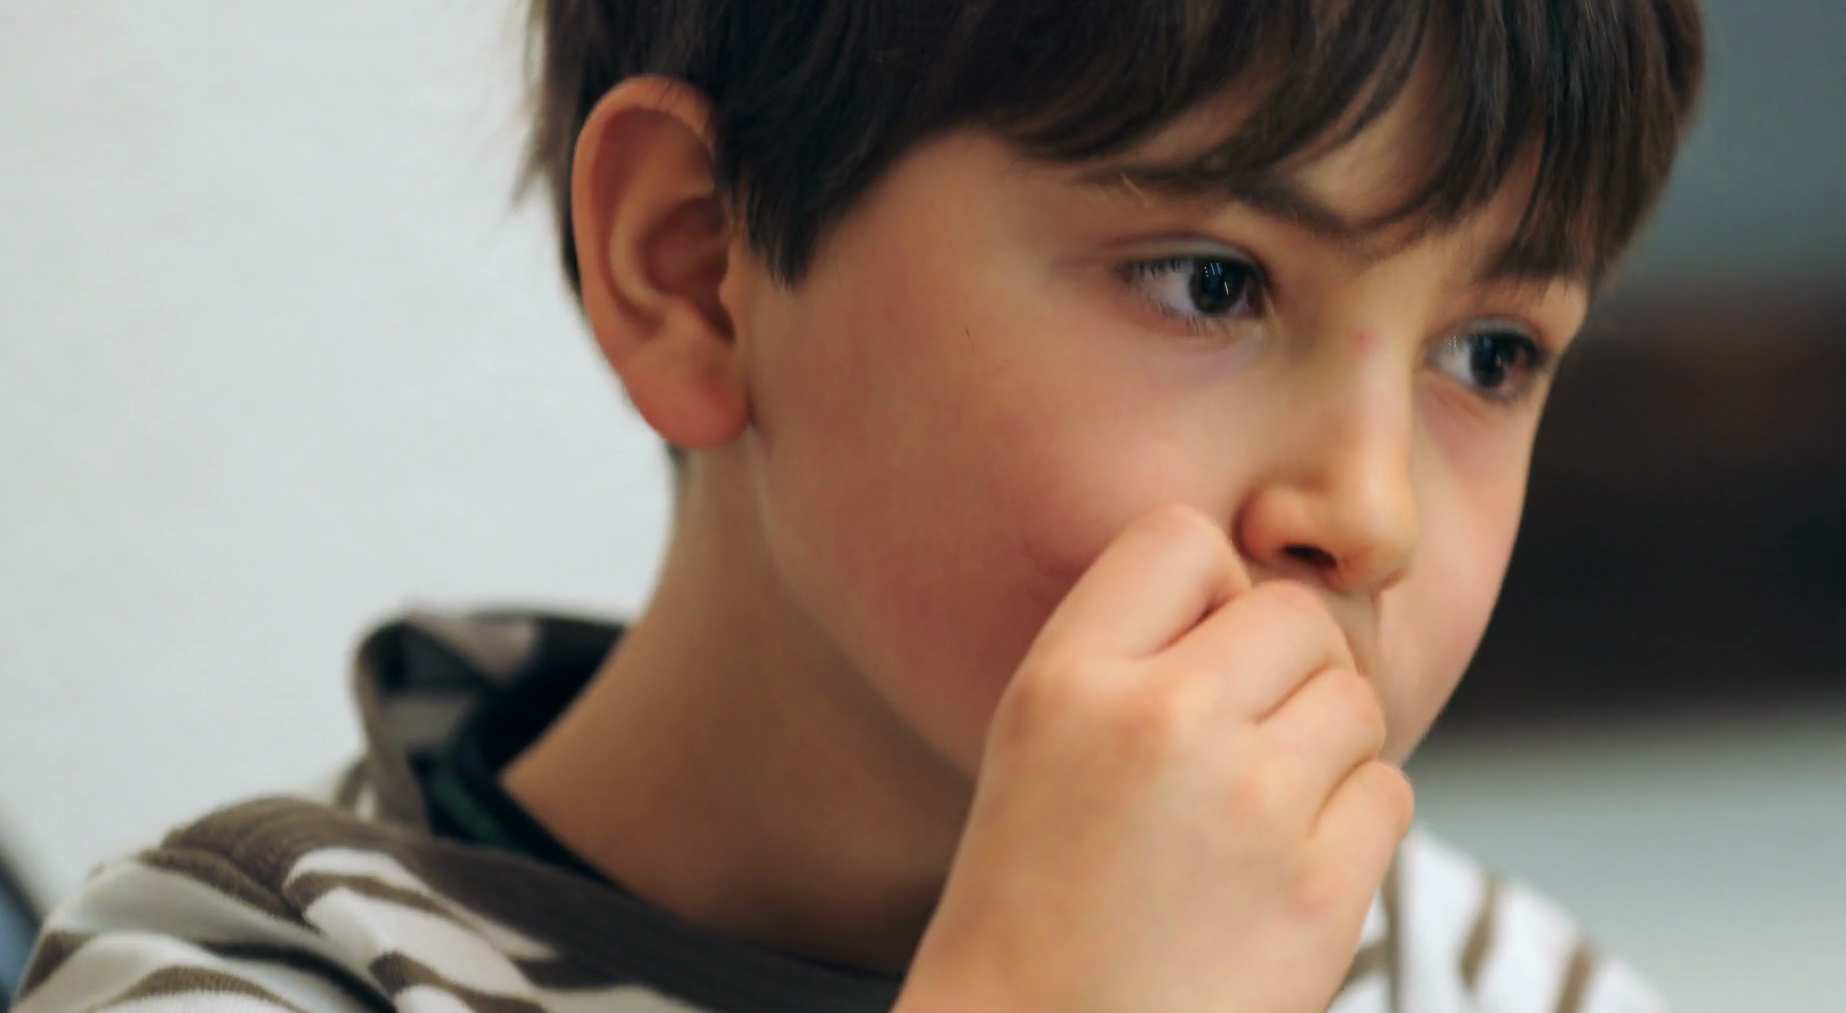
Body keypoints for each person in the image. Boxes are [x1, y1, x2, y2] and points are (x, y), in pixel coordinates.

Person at [13, 1, 1704, 1010]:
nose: (1372, 508)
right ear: (699, 267)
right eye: (1209, 280)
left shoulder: (1484, 977)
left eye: (1489, 352)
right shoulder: (241, 977)